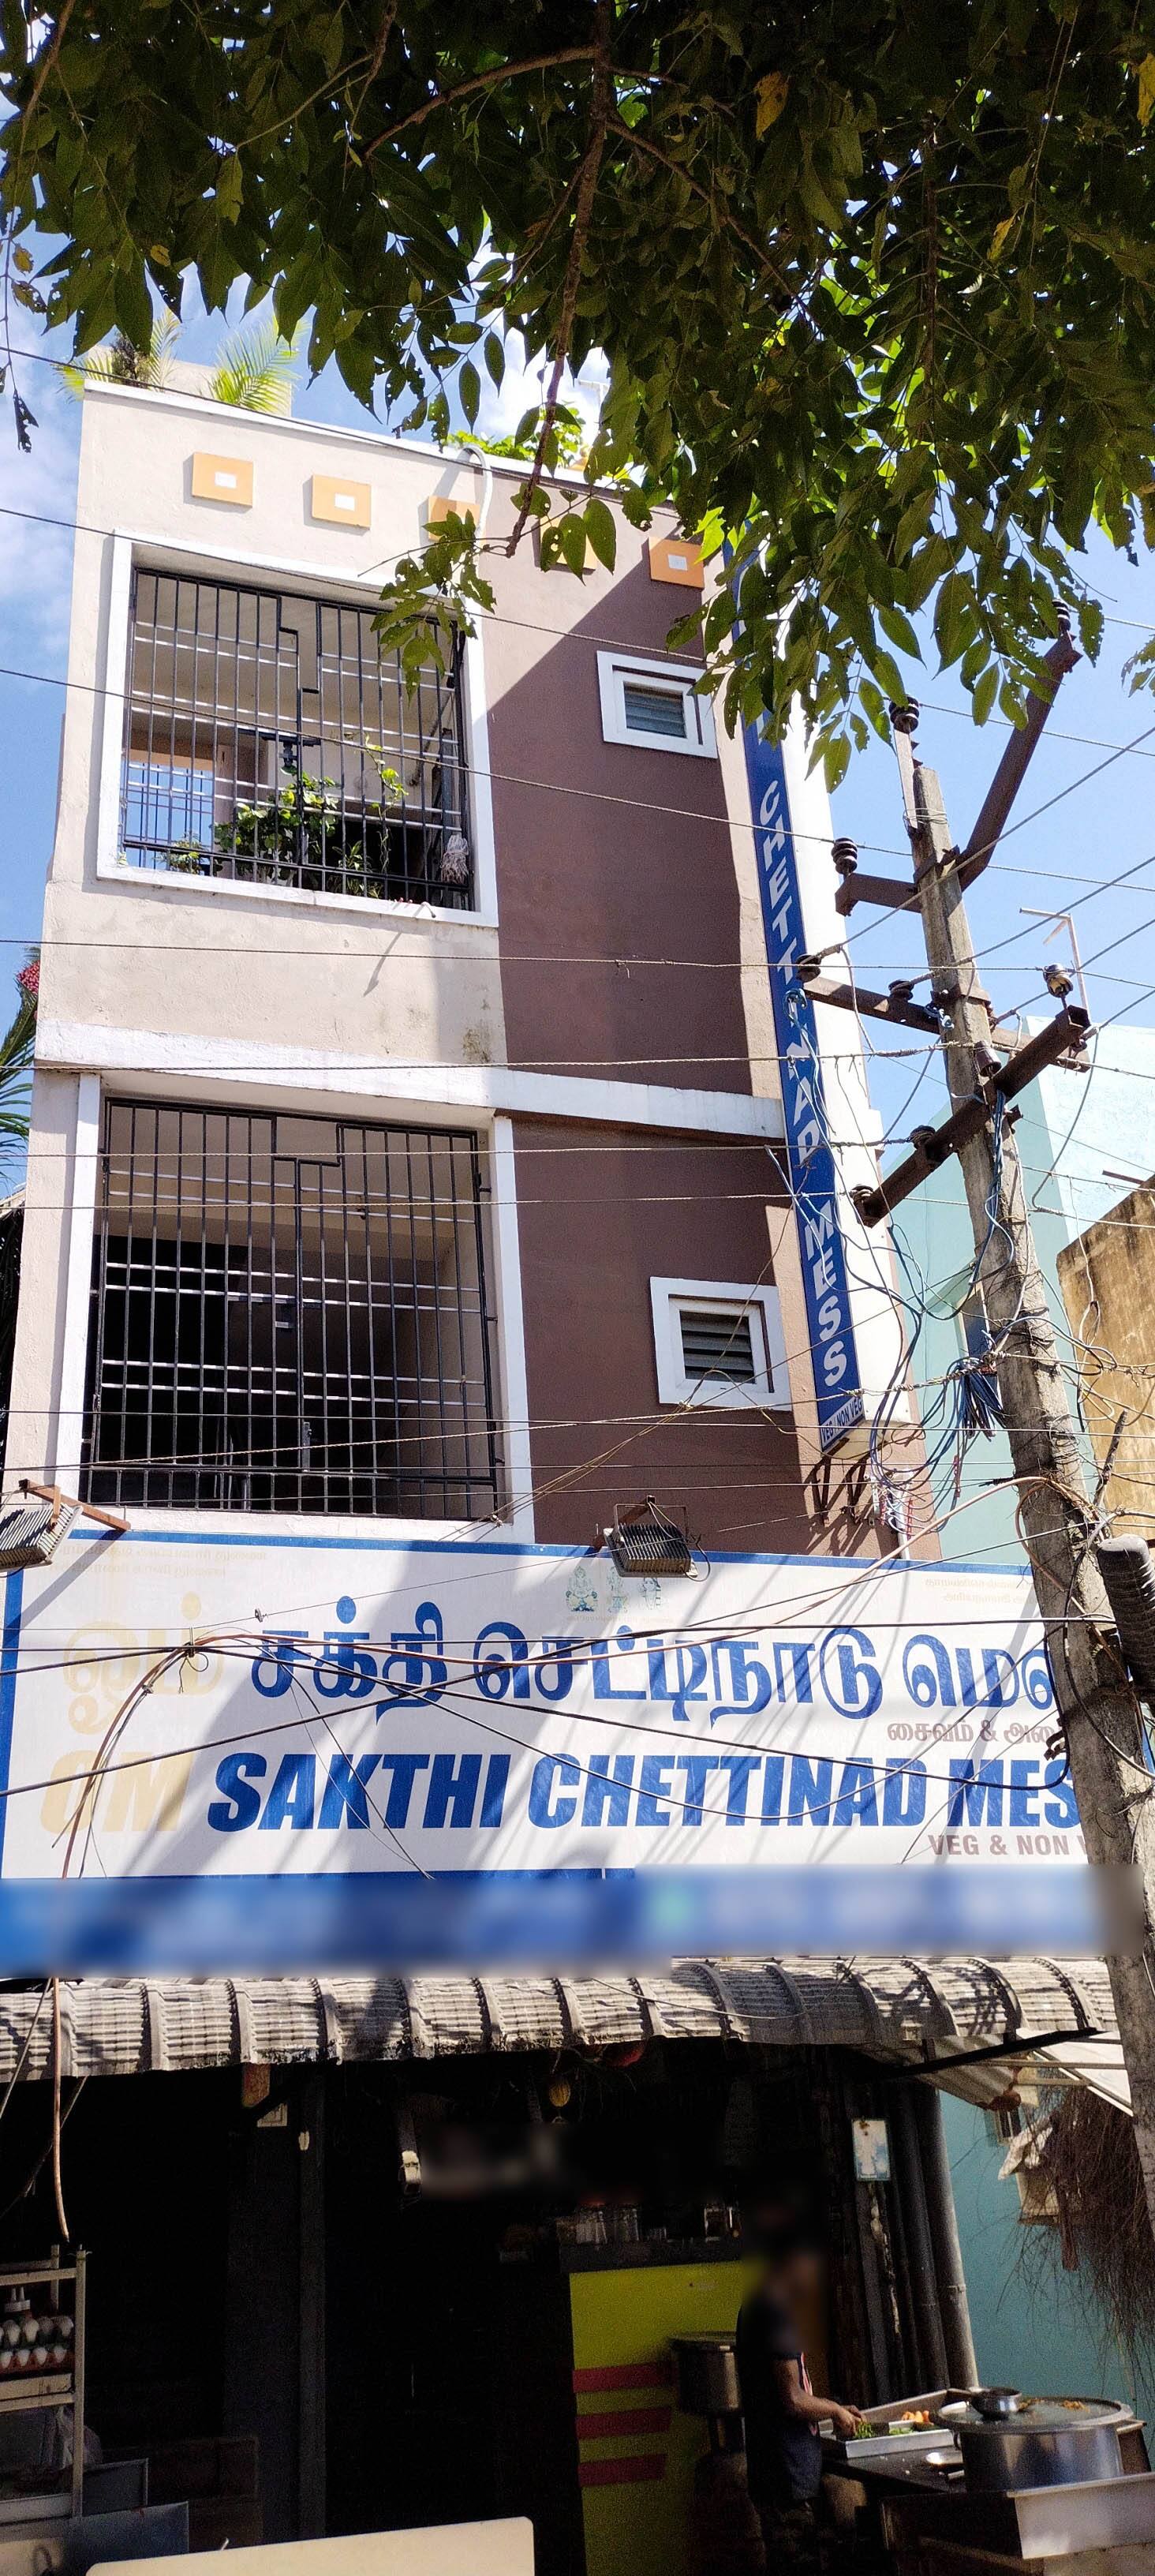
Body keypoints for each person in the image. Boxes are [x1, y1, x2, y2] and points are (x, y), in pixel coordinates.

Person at [735, 2216, 863, 2574]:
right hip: (784, 2479)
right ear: (795, 2261)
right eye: (812, 2266)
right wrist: (835, 2412)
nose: (814, 2277)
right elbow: (791, 2398)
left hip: (780, 2474)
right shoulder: (773, 2315)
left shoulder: (759, 2310)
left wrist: (832, 2407)